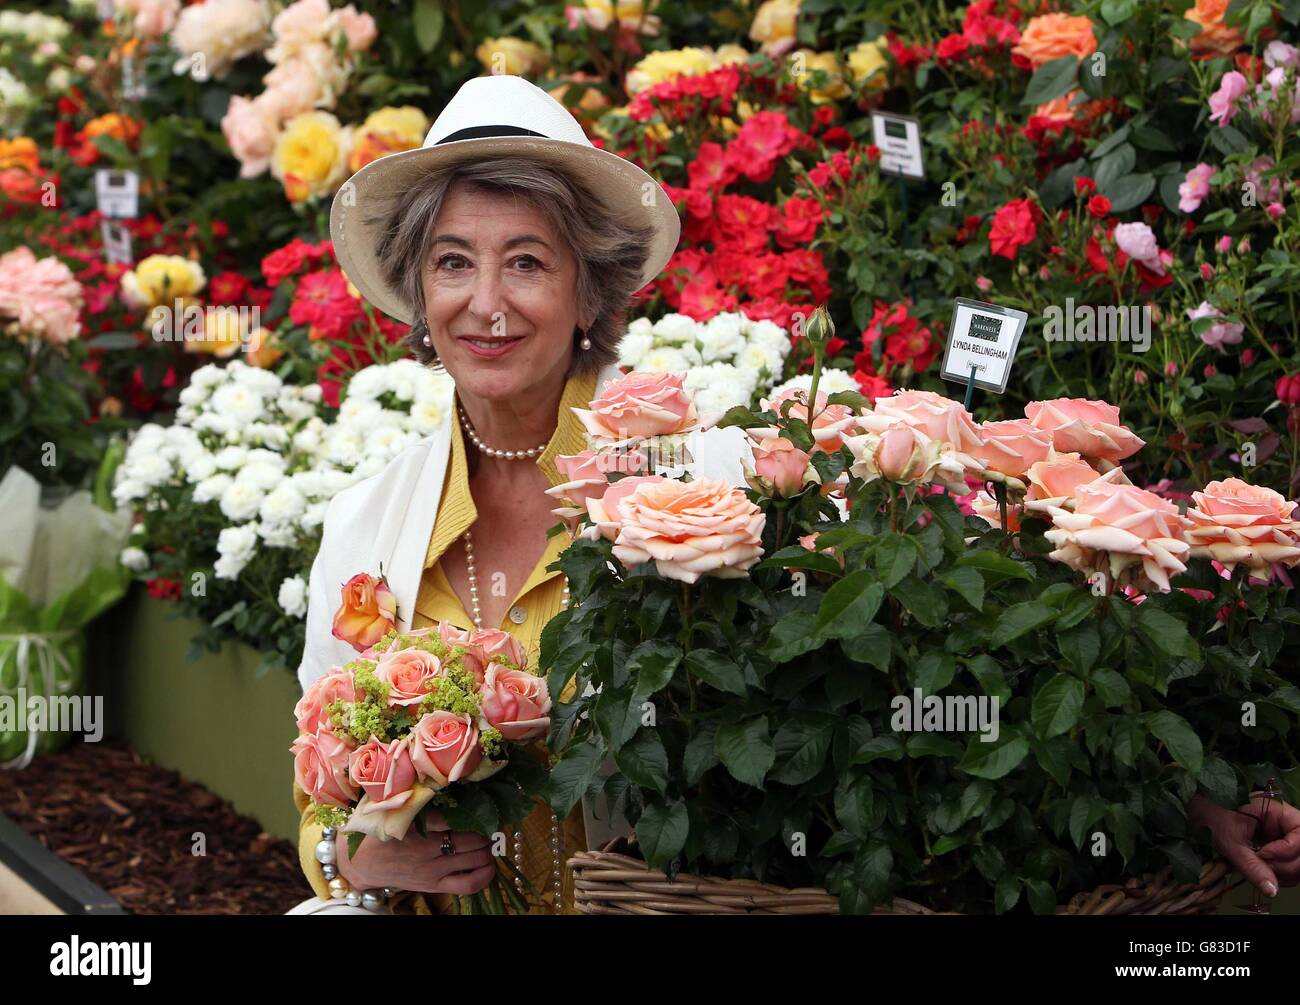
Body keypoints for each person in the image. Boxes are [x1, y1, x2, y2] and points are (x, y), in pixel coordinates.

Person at [287, 74, 678, 915]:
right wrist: (352, 855)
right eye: (454, 262)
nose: (487, 305)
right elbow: (318, 796)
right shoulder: (363, 524)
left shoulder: (689, 485)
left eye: (527, 262)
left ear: (588, 291)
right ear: (421, 295)